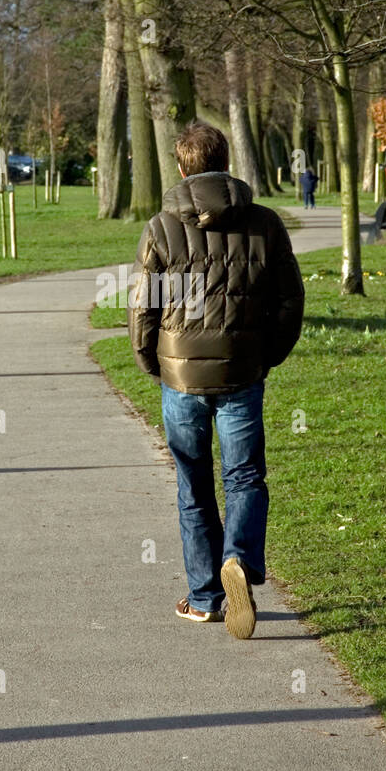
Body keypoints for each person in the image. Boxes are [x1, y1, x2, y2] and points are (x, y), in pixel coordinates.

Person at [128, 121, 304, 640]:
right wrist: (268, 353)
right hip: (241, 371)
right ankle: (241, 562)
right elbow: (290, 299)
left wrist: (149, 360)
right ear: (226, 162)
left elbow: (144, 307)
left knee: (193, 483)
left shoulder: (160, 228)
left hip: (179, 374)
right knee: (245, 477)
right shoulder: (266, 224)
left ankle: (205, 597)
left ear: (181, 167)